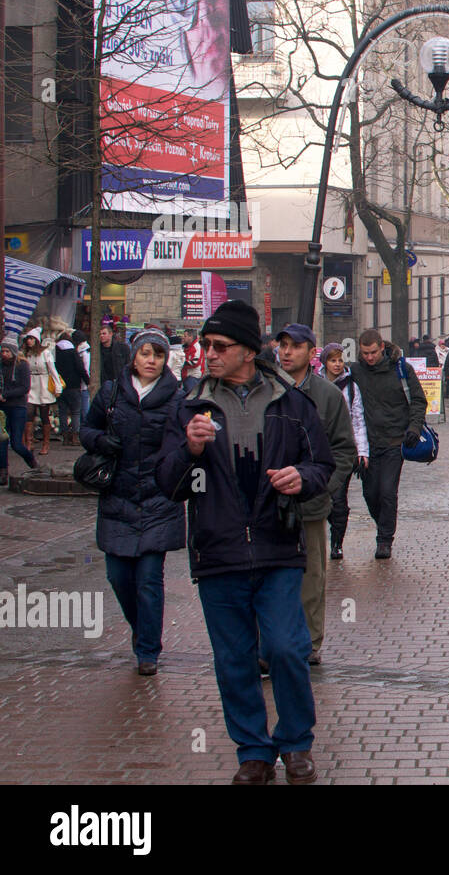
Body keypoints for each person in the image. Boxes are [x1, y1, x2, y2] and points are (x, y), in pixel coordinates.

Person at [155, 299, 334, 784]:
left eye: (219, 346)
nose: (207, 353)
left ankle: (296, 743)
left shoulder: (292, 404)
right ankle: (252, 752)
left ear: (249, 352)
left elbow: (324, 464)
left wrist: (304, 476)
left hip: (278, 547)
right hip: (218, 552)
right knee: (234, 660)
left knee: (284, 648)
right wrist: (190, 450)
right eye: (204, 345)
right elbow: (167, 482)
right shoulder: (190, 406)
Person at [80, 329, 185, 676]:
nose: (151, 360)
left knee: (149, 580)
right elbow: (87, 430)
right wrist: (101, 441)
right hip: (118, 497)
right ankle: (142, 629)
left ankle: (148, 650)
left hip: (158, 499)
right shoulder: (111, 393)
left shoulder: (177, 398)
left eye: (158, 354)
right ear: (134, 357)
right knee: (118, 577)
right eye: (146, 353)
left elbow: (186, 446)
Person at [277, 325, 356, 665]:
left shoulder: (326, 395)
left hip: (310, 502)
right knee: (270, 576)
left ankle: (309, 642)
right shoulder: (266, 389)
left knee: (312, 576)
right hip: (267, 504)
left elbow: (343, 449)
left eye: (295, 347)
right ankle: (270, 641)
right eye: (282, 345)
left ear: (311, 353)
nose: (286, 352)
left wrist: (324, 485)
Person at [349, 329, 428, 559]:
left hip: (395, 441)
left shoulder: (401, 369)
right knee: (370, 493)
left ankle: (384, 539)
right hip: (368, 444)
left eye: (373, 352)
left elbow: (418, 401)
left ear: (381, 347)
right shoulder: (356, 372)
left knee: (387, 491)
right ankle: (382, 523)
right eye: (365, 353)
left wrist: (413, 428)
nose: (369, 358)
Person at [319, 343, 368, 560]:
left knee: (339, 499)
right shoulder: (315, 385)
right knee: (322, 498)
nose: (337, 365)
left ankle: (336, 542)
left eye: (340, 360)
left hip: (342, 450)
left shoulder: (351, 387)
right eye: (333, 360)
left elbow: (358, 420)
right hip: (319, 451)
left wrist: (362, 451)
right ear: (325, 363)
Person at [1, 336, 39, 484]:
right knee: (2, 441)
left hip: (18, 406)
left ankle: (31, 460)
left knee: (16, 443)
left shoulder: (22, 365)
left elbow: (24, 387)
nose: (4, 354)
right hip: (2, 408)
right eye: (2, 351)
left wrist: (5, 394)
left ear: (13, 352)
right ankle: (3, 473)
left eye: (7, 351)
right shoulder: (1, 365)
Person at [22, 330, 59, 456]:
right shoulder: (27, 354)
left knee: (44, 416)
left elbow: (52, 370)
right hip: (31, 385)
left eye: (31, 339)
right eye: (28, 339)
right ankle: (29, 442)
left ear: (36, 340)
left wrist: (57, 387)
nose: (29, 341)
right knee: (29, 413)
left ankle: (46, 443)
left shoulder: (45, 353)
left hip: (43, 385)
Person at [54, 332, 90, 444]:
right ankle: (75, 436)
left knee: (62, 411)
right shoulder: (73, 352)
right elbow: (80, 368)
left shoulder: (56, 352)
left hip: (60, 386)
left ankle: (65, 436)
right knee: (75, 412)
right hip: (74, 385)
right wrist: (87, 380)